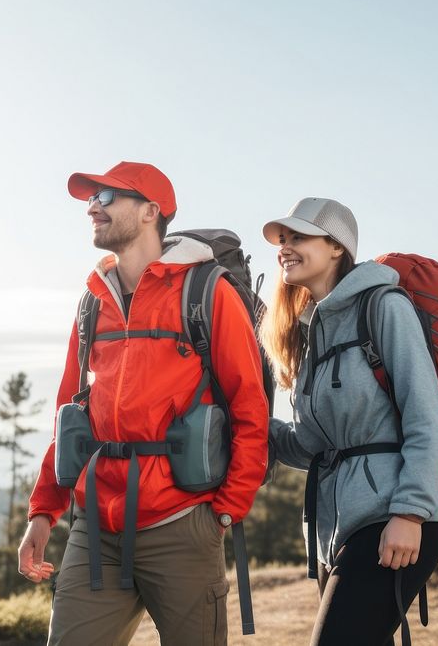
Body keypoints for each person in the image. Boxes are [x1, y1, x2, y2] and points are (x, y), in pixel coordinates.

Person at [18, 161, 269, 645]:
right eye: (93, 199)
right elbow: (69, 411)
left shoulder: (207, 292)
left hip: (183, 523)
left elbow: (249, 406)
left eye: (108, 197)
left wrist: (226, 510)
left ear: (151, 211)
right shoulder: (93, 299)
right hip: (97, 528)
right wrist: (43, 511)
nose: (93, 207)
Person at [259, 197, 438, 645]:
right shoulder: (312, 333)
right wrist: (250, 422)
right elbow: (310, 446)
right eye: (282, 239)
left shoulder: (383, 307)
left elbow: (426, 417)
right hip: (335, 530)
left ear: (337, 247)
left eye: (298, 237)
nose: (284, 247)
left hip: (391, 519)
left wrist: (410, 513)